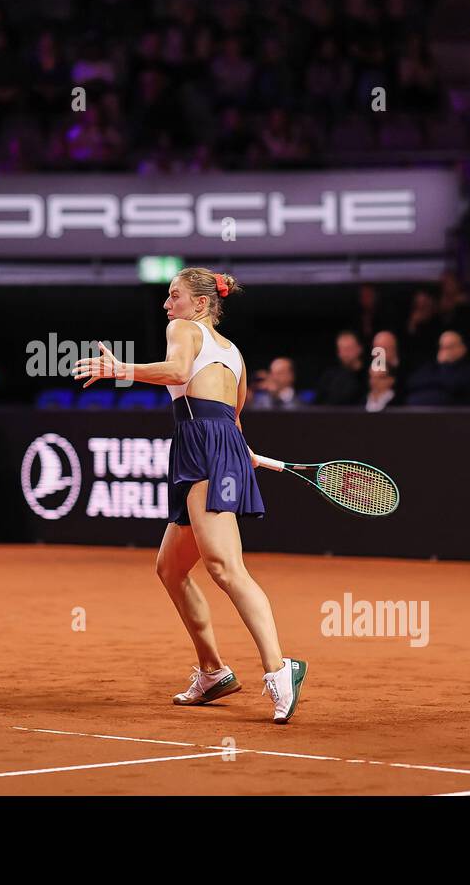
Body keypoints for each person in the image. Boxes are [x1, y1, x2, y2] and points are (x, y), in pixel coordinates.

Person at [73, 267, 307, 724]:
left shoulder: (181, 329)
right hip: (215, 447)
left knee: (224, 566)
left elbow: (179, 372)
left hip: (203, 449)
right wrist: (243, 452)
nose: (167, 305)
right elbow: (233, 417)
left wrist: (122, 370)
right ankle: (213, 671)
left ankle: (281, 670)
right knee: (171, 568)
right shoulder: (235, 353)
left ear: (199, 304)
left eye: (174, 295)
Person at [405, 331, 470, 406]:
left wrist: (445, 366)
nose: (445, 351)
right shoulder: (431, 365)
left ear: (463, 348)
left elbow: (453, 385)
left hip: (454, 413)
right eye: (442, 347)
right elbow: (412, 382)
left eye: (450, 347)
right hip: (421, 410)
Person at [315, 330, 367, 406]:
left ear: (359, 349)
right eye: (342, 349)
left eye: (349, 349)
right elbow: (318, 404)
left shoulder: (370, 376)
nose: (345, 354)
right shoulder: (329, 377)